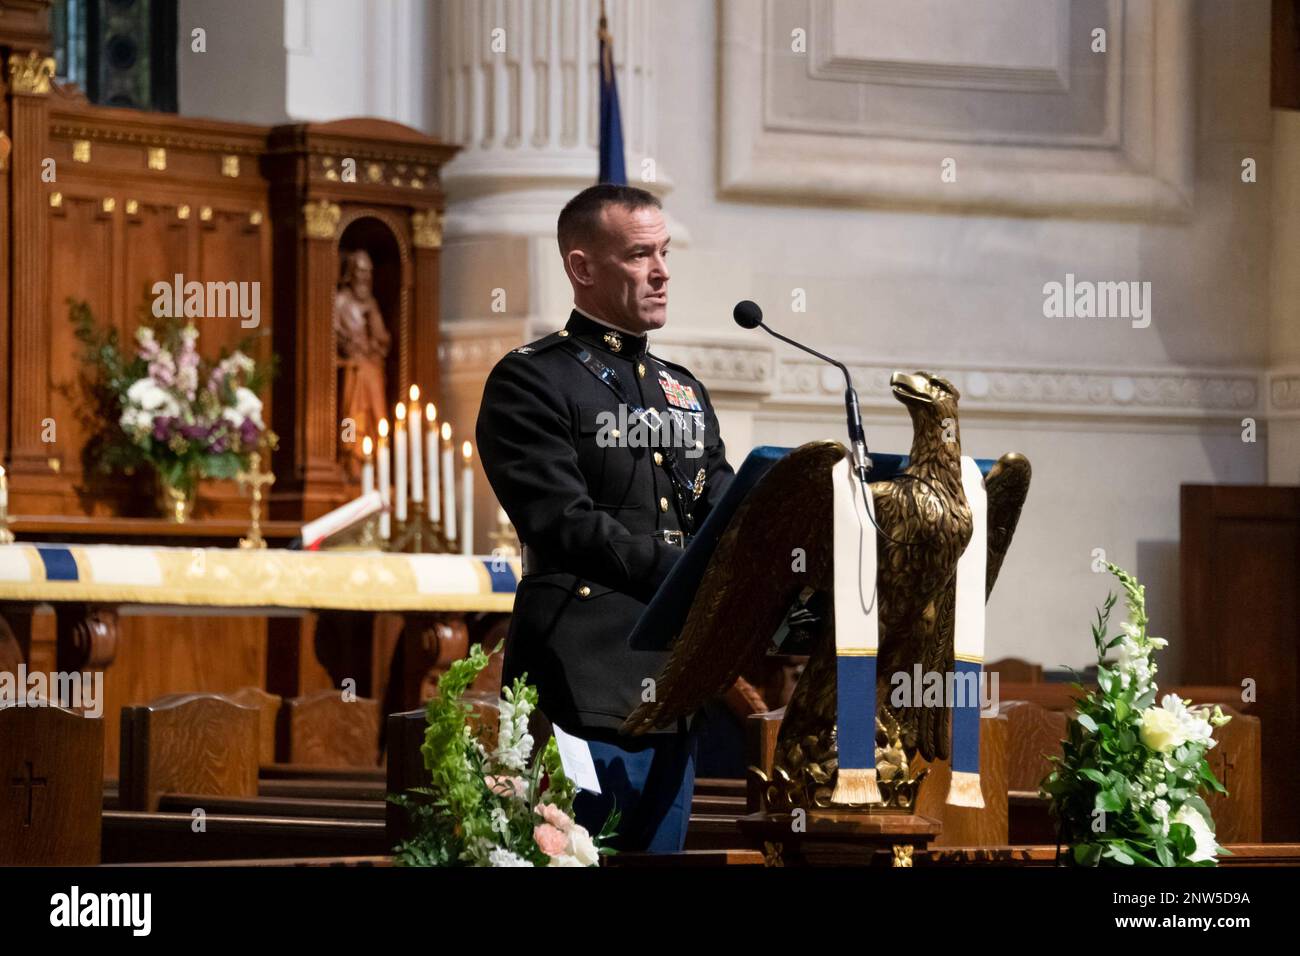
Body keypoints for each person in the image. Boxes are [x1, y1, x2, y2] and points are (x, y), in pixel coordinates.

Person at [476, 184, 735, 852]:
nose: (662, 271)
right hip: (578, 679)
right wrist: (690, 580)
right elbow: (564, 523)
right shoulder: (531, 380)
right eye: (639, 254)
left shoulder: (683, 391)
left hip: (673, 690)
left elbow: (724, 510)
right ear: (582, 267)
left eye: (665, 252)